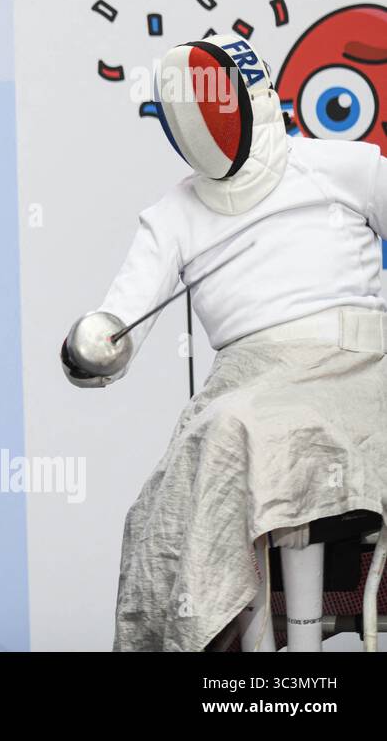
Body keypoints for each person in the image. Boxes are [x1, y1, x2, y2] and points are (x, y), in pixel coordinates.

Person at [62, 34, 387, 651]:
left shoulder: (342, 166)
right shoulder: (175, 215)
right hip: (246, 387)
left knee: (239, 429)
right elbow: (118, 322)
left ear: (252, 99)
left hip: (356, 374)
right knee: (167, 499)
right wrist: (89, 346)